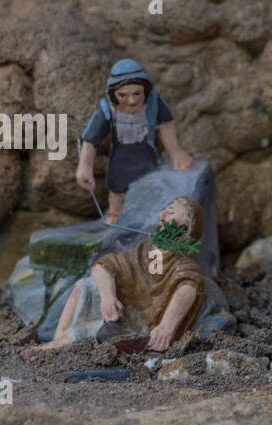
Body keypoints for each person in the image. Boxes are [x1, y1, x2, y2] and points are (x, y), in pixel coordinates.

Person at [23, 196, 206, 357]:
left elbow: (188, 286)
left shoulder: (182, 263)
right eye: (164, 210)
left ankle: (45, 352)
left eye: (170, 212)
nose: (161, 215)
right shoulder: (148, 249)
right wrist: (107, 296)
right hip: (123, 307)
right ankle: (56, 345)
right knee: (85, 285)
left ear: (185, 228)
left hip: (140, 324)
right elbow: (106, 265)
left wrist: (167, 326)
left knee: (89, 330)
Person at [75, 59, 195, 223]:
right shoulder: (107, 108)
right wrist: (85, 166)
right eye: (123, 95)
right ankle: (115, 213)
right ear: (114, 94)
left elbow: (165, 126)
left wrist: (176, 153)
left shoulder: (153, 103)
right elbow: (90, 141)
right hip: (120, 154)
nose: (131, 101)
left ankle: (151, 213)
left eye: (137, 93)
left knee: (149, 181)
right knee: (117, 186)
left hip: (144, 151)